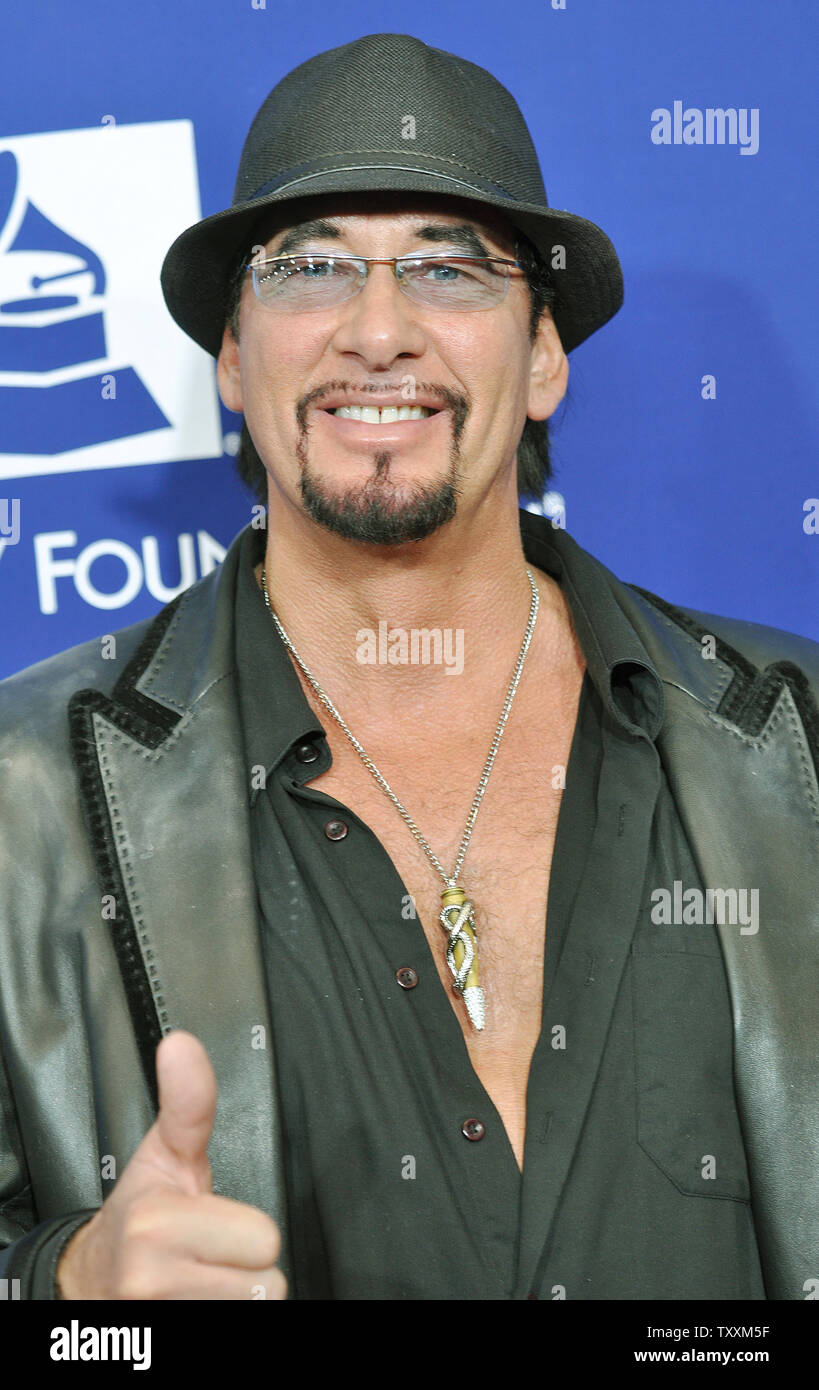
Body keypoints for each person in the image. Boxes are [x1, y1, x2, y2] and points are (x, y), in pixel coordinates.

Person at [0, 32, 816, 1302]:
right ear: (231, 355)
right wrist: (74, 1300)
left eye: (448, 269)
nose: (377, 331)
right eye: (313, 267)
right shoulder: (20, 797)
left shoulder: (803, 745)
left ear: (543, 357)